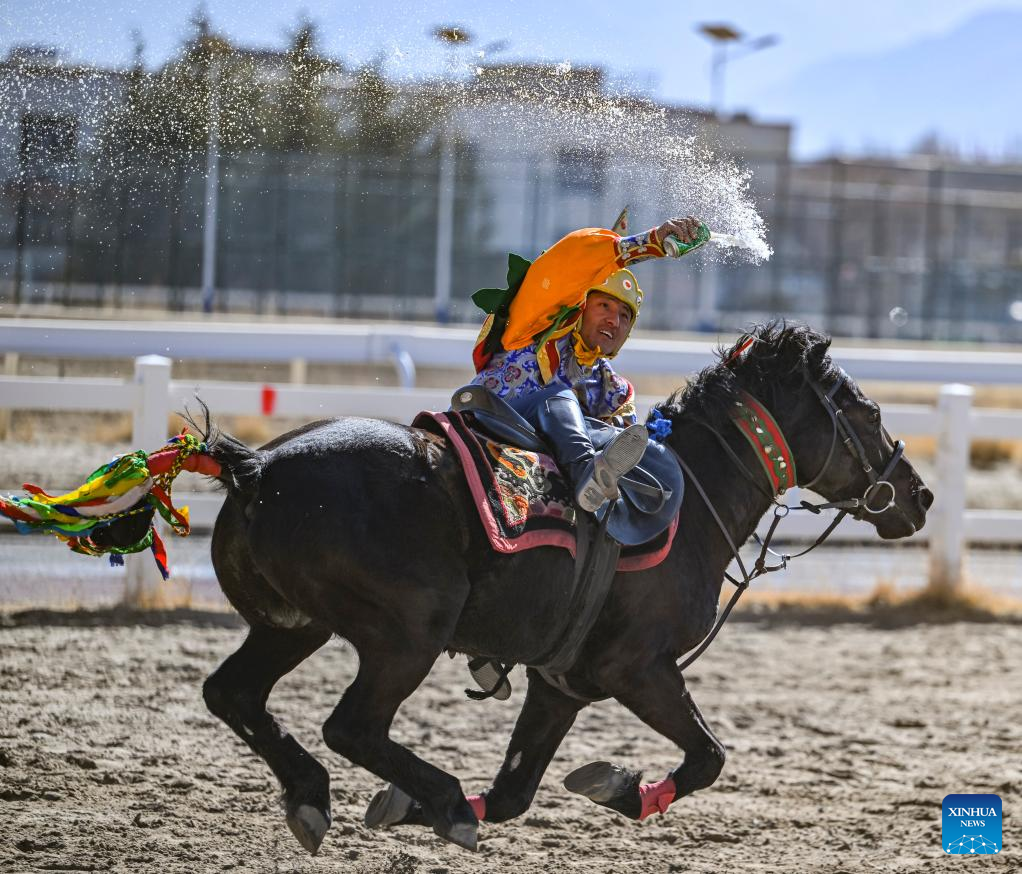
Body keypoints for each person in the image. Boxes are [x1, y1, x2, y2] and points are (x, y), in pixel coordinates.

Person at [470, 215, 704, 512]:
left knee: (624, 442)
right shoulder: (535, 326)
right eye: (604, 305)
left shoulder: (614, 391)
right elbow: (572, 259)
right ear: (580, 307)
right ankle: (586, 476)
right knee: (559, 398)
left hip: (544, 468)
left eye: (624, 316)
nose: (614, 321)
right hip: (490, 419)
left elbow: (623, 451)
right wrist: (651, 242)